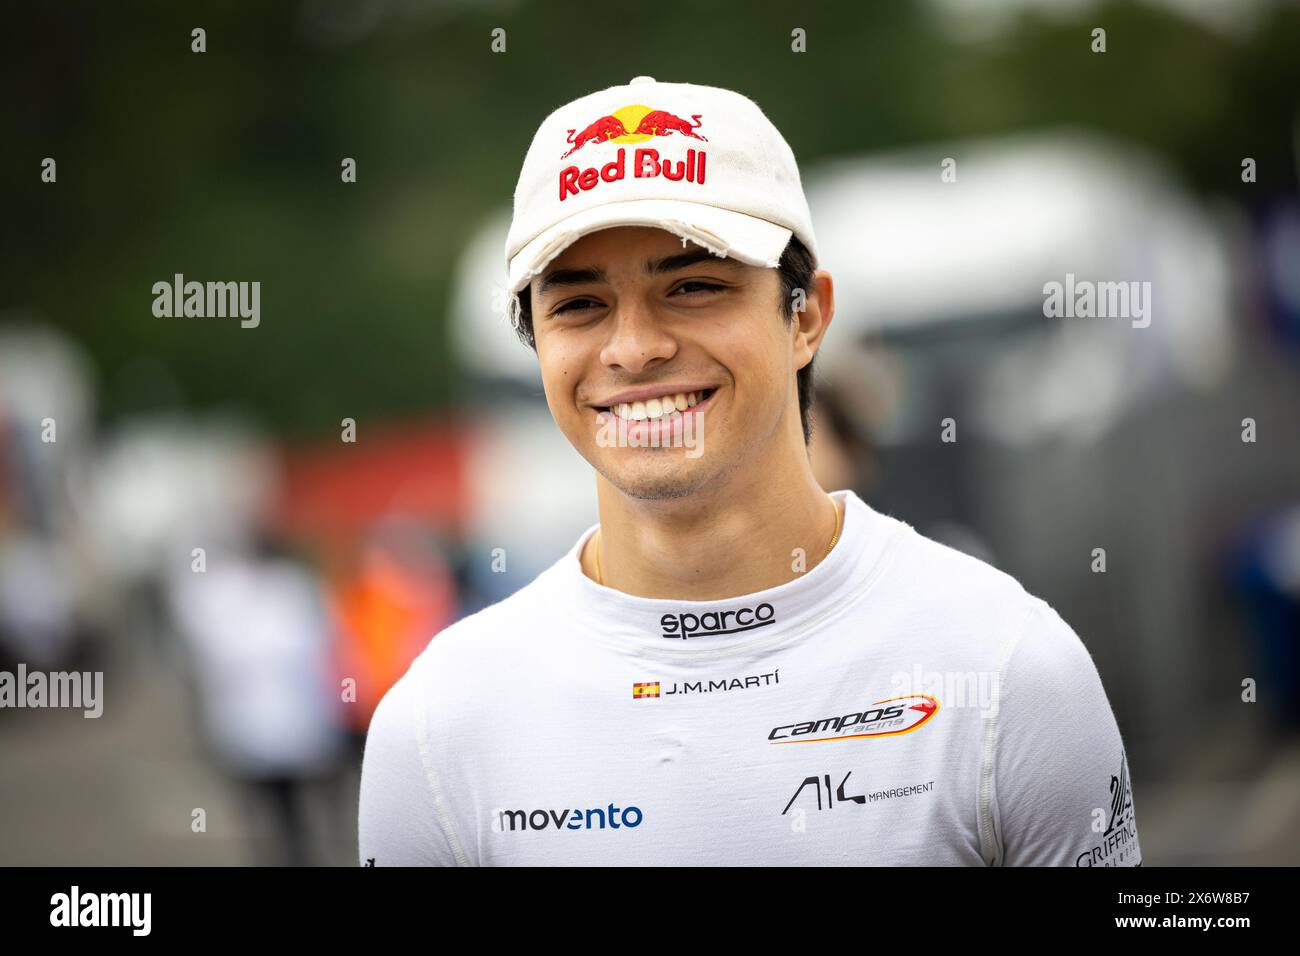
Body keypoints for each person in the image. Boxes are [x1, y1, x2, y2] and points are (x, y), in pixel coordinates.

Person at [358, 77, 1141, 866]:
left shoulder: (1007, 665)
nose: (634, 348)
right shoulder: (437, 724)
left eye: (693, 287)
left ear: (806, 316)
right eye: (580, 305)